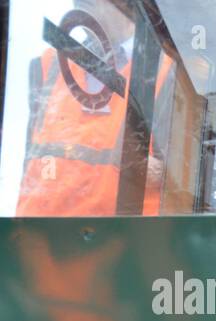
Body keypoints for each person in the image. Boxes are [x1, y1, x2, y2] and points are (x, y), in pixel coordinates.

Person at [17, 0, 175, 216]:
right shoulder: (46, 67)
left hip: (124, 244)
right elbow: (30, 162)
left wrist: (168, 173)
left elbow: (212, 168)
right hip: (36, 242)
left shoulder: (170, 75)